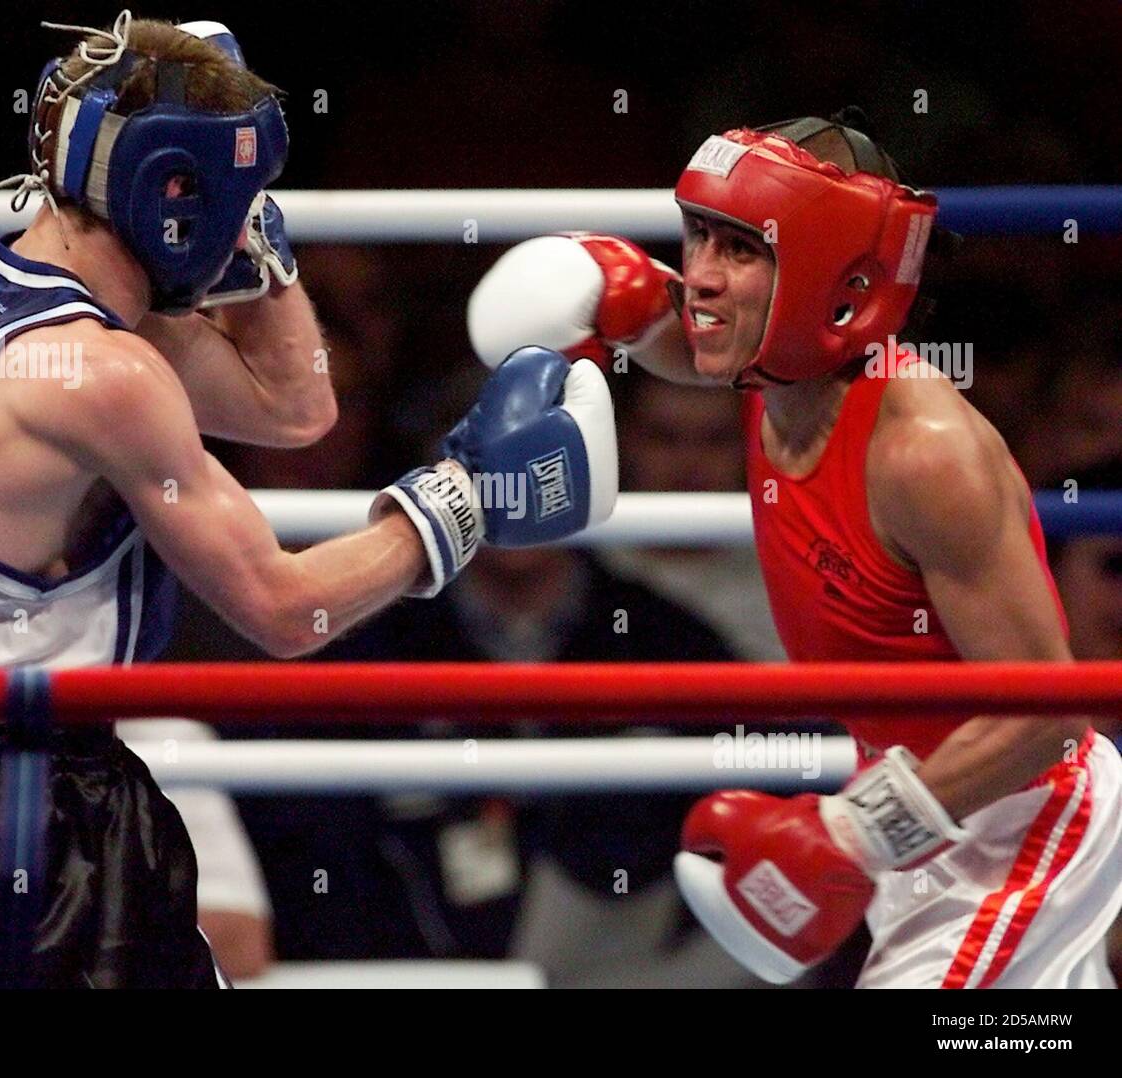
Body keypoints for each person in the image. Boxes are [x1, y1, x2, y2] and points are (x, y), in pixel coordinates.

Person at [0, 12, 617, 988]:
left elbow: (294, 406)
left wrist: (245, 224)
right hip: (10, 792)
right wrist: (468, 496)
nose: (250, 213)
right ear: (170, 193)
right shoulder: (100, 373)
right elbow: (286, 608)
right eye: (238, 193)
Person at [466, 111, 1122, 988]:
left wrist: (854, 831)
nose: (696, 278)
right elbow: (665, 328)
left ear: (829, 280)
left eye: (739, 250)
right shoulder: (761, 367)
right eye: (696, 236)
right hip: (925, 800)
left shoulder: (925, 453)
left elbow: (1048, 713)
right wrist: (602, 291)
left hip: (1019, 822)